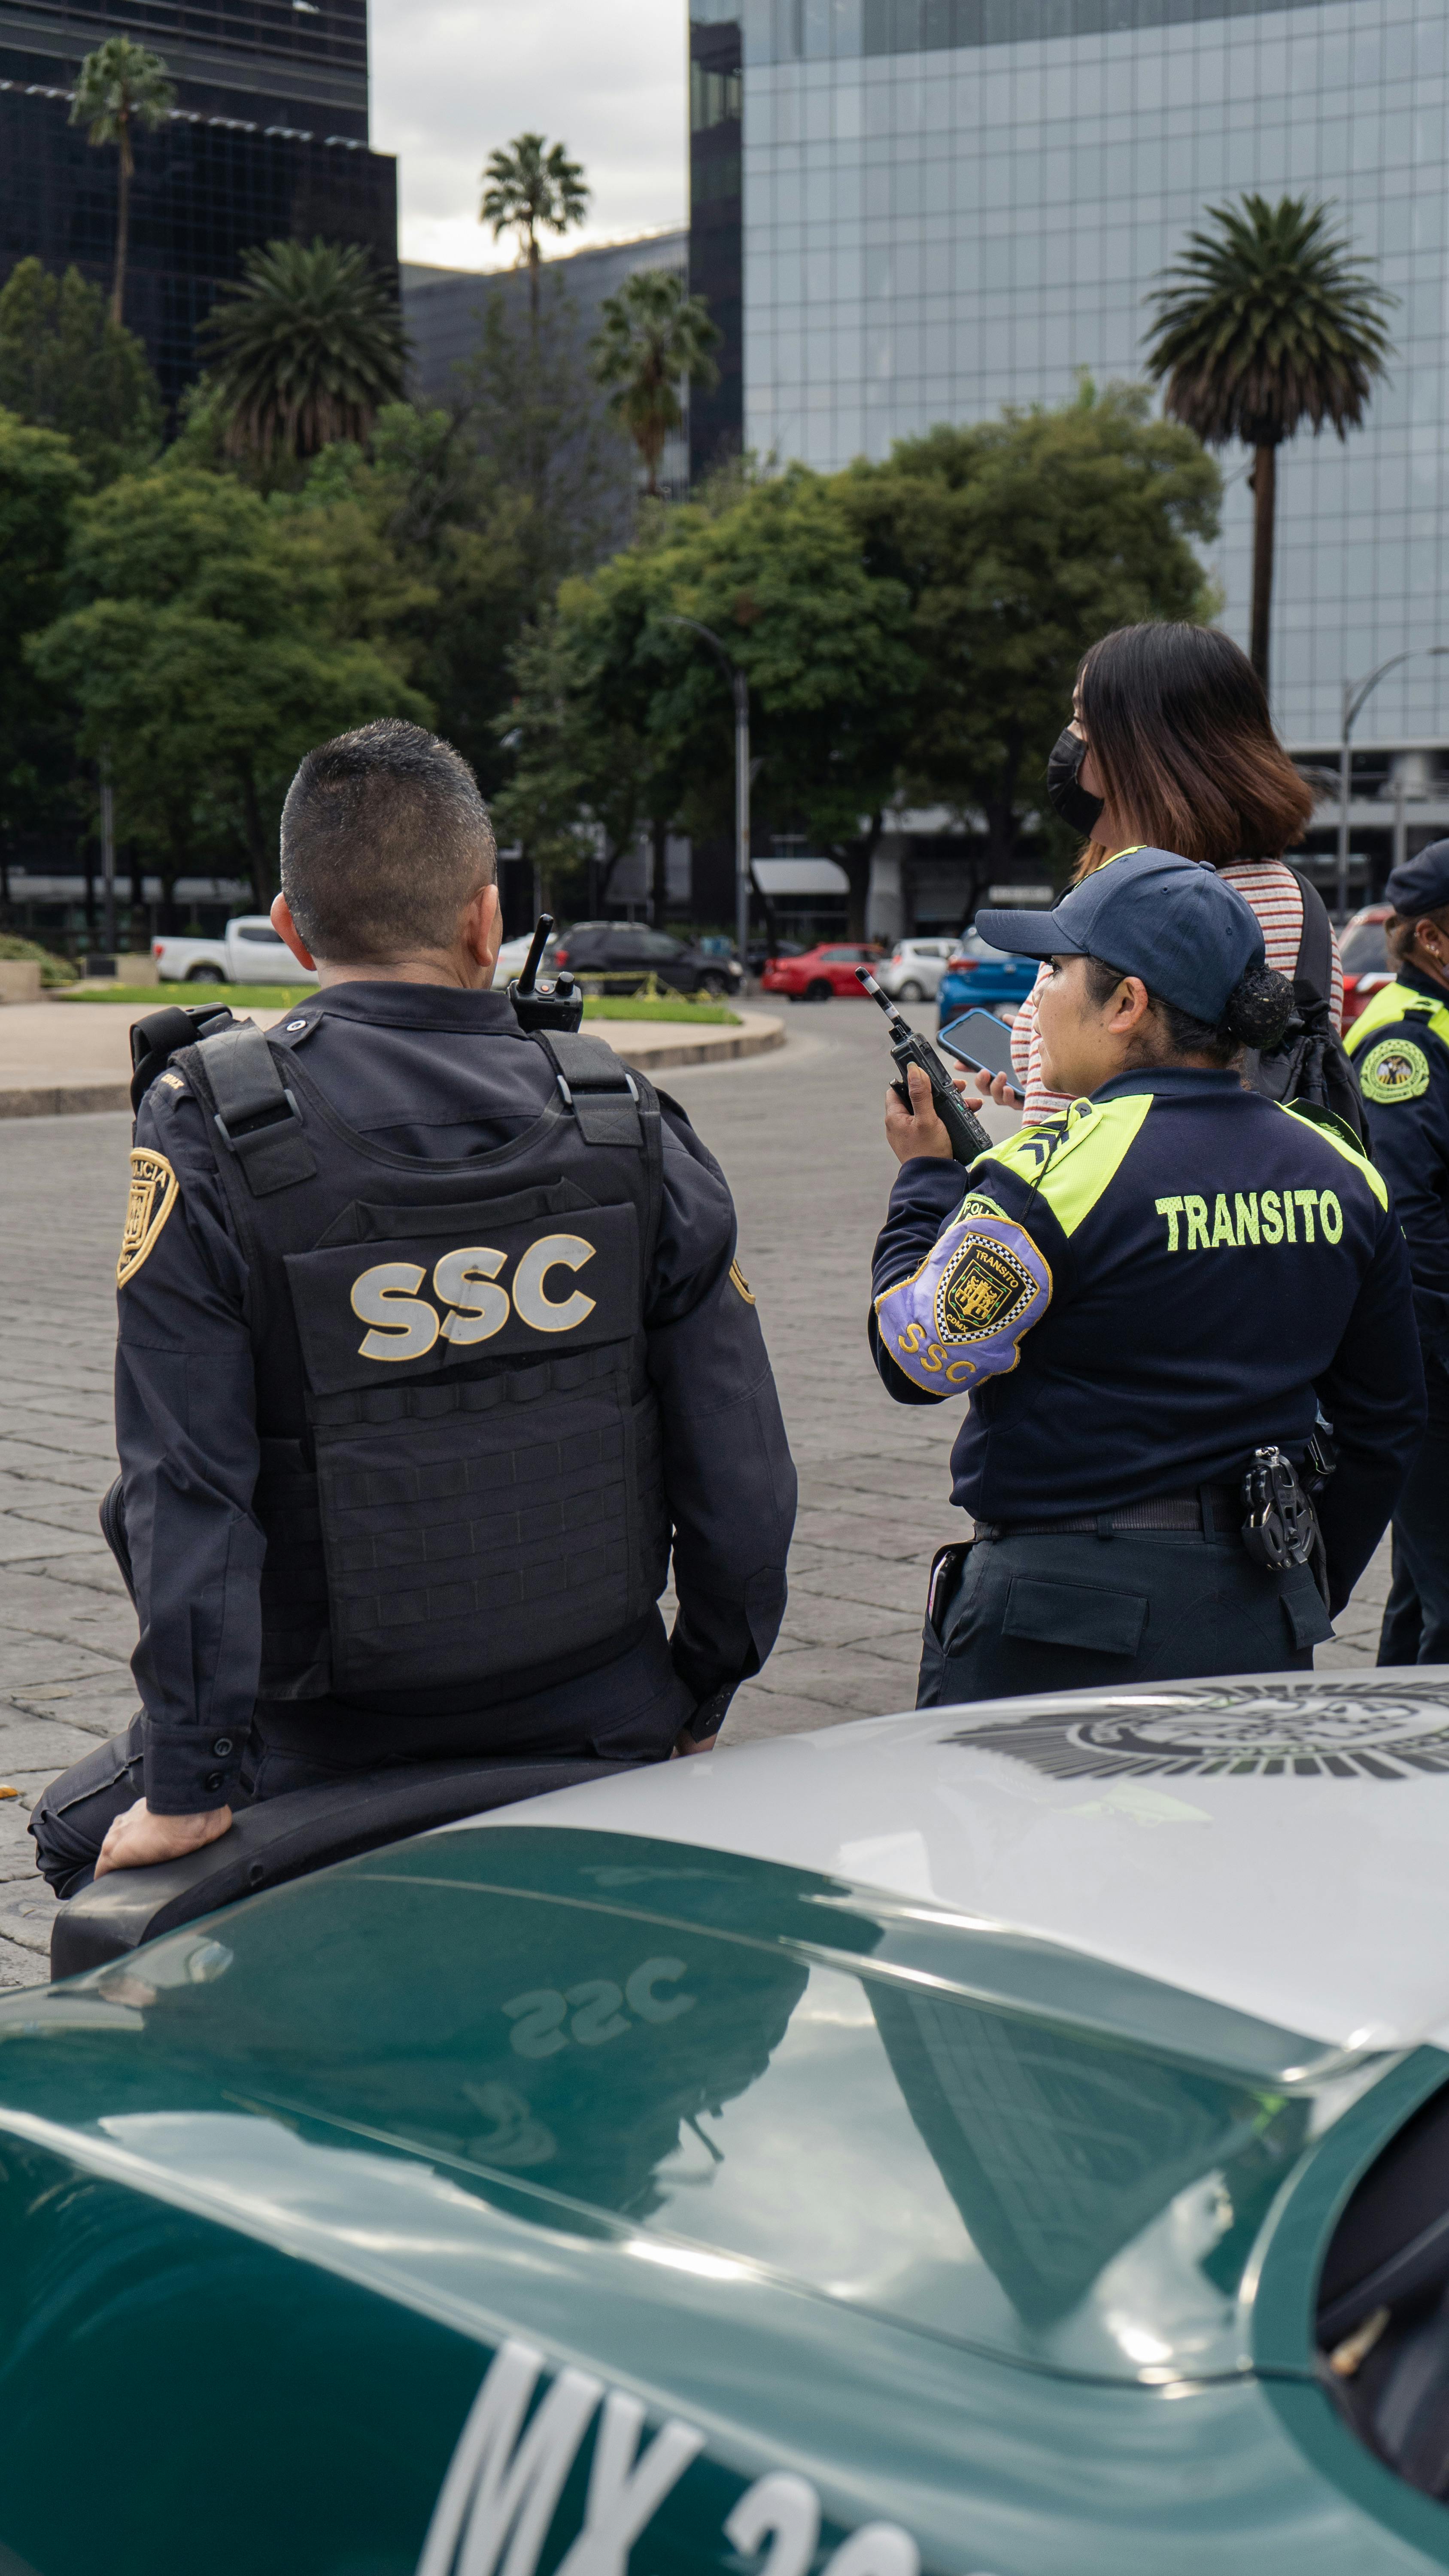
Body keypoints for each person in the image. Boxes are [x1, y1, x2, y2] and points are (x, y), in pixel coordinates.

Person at [31, 720, 796, 1896]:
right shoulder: (626, 1120)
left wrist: (191, 1787)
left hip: (318, 1753)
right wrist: (697, 1691)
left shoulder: (211, 1130)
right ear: (484, 921)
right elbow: (742, 1477)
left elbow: (184, 1486)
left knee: (69, 1841)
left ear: (290, 931)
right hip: (599, 1716)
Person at [870, 847, 1424, 1707]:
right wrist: (1305, 1585)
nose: (1034, 1001)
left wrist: (924, 1181)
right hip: (1257, 1608)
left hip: (1054, 1623)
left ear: (1125, 1003)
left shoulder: (1048, 1176)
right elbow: (1386, 1419)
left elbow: (915, 1359)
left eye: (1053, 971)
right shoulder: (1339, 1166)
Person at [1002, 624, 1348, 1127]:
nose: (1070, 742)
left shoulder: (1113, 910)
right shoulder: (1300, 904)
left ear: (1142, 748)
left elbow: (1055, 1149)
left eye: (1082, 720)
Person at [1344, 841, 1449, 1664]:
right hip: (1430, 1353)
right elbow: (1413, 1220)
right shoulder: (1403, 1044)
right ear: (1432, 940)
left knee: (1426, 1584)